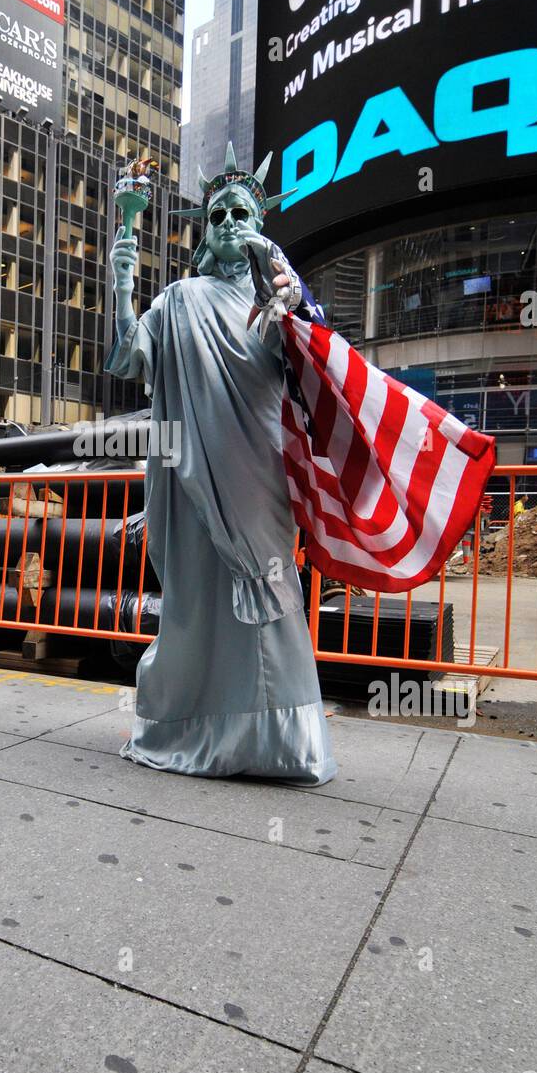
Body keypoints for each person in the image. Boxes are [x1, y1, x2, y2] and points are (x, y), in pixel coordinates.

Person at [105, 145, 337, 784]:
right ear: (204, 231)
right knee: (198, 599)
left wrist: (289, 290)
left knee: (270, 593)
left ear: (260, 225)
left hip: (259, 470)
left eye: (242, 213)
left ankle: (283, 742)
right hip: (192, 474)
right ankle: (194, 727)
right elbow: (127, 358)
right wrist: (121, 284)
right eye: (218, 216)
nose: (230, 223)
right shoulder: (179, 299)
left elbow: (318, 360)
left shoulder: (279, 299)